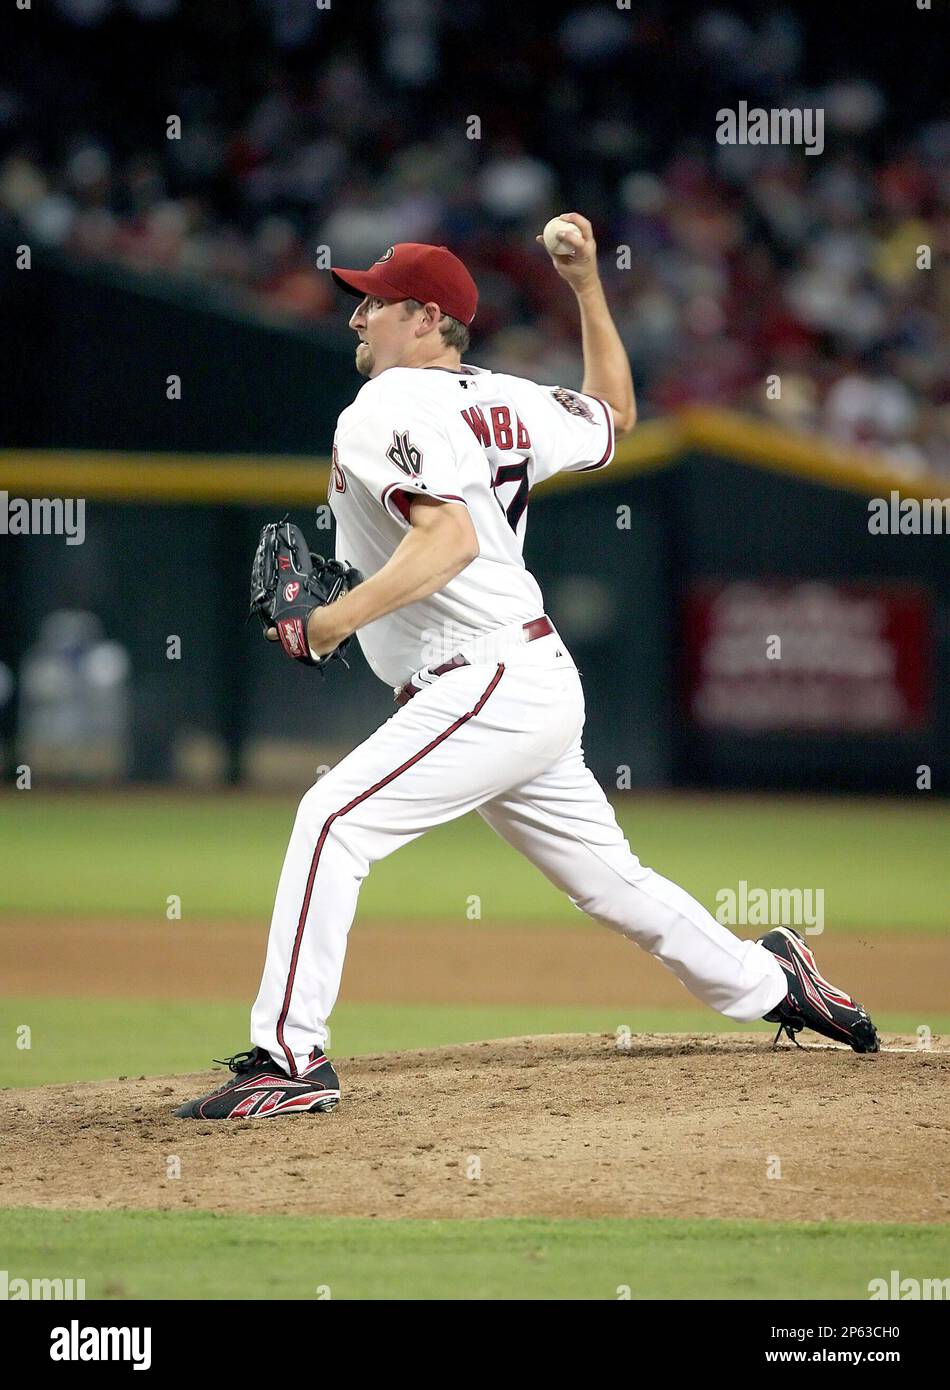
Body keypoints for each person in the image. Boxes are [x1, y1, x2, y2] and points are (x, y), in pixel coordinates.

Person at [176, 216, 878, 1120]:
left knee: (330, 821)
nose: (356, 318)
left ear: (426, 317)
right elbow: (617, 415)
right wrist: (587, 286)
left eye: (373, 303)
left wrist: (328, 624)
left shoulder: (385, 407)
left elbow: (454, 538)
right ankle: (775, 980)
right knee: (613, 886)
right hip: (522, 675)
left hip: (487, 678)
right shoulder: (506, 399)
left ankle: (287, 1057)